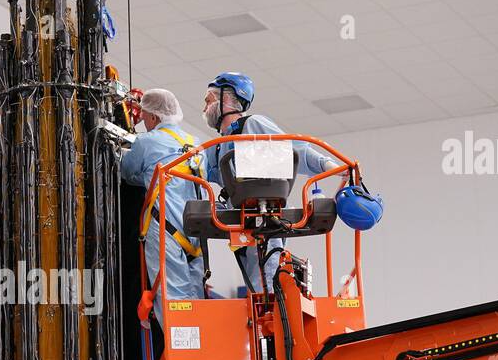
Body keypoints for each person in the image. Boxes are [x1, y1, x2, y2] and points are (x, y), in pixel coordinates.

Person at [202, 72, 340, 293]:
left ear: (226, 101)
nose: (204, 107)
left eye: (208, 100)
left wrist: (329, 166)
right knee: (257, 289)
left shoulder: (253, 125)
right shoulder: (218, 146)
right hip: (241, 230)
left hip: (263, 222)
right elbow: (195, 170)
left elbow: (294, 149)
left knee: (268, 287)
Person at [120, 88, 206, 326]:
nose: (145, 122)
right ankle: (199, 349)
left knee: (172, 297)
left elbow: (127, 172)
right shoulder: (195, 143)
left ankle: (180, 352)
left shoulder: (147, 142)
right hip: (196, 234)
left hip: (166, 230)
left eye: (146, 117)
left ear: (155, 117)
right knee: (196, 296)